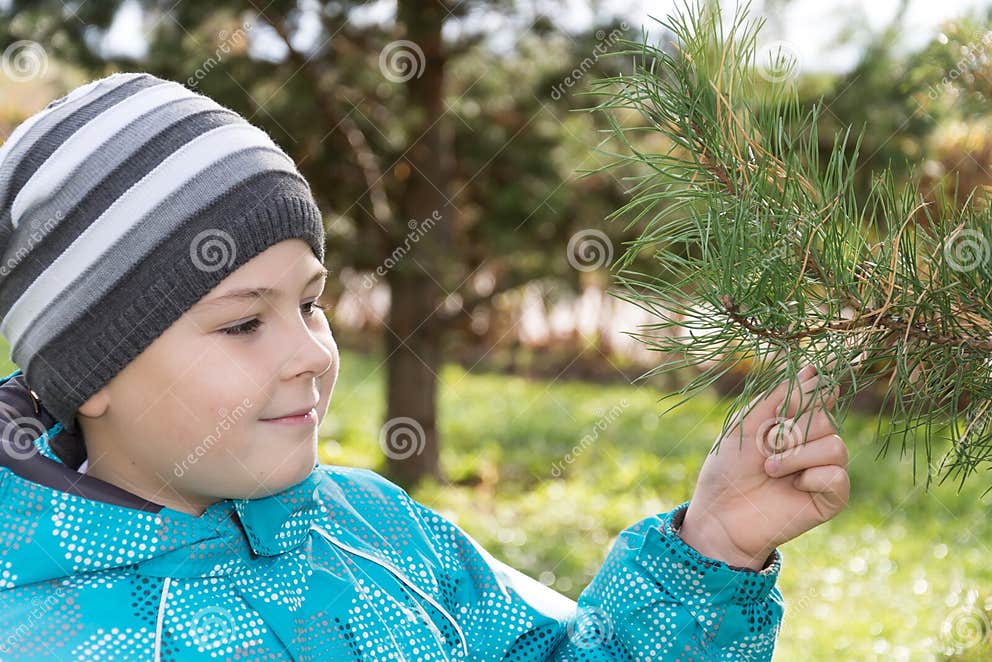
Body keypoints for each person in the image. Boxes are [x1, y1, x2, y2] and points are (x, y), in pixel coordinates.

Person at [0, 72, 850, 660]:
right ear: (93, 374)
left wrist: (713, 548)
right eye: (243, 323)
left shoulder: (376, 529)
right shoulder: (43, 635)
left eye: (309, 303)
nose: (308, 352)